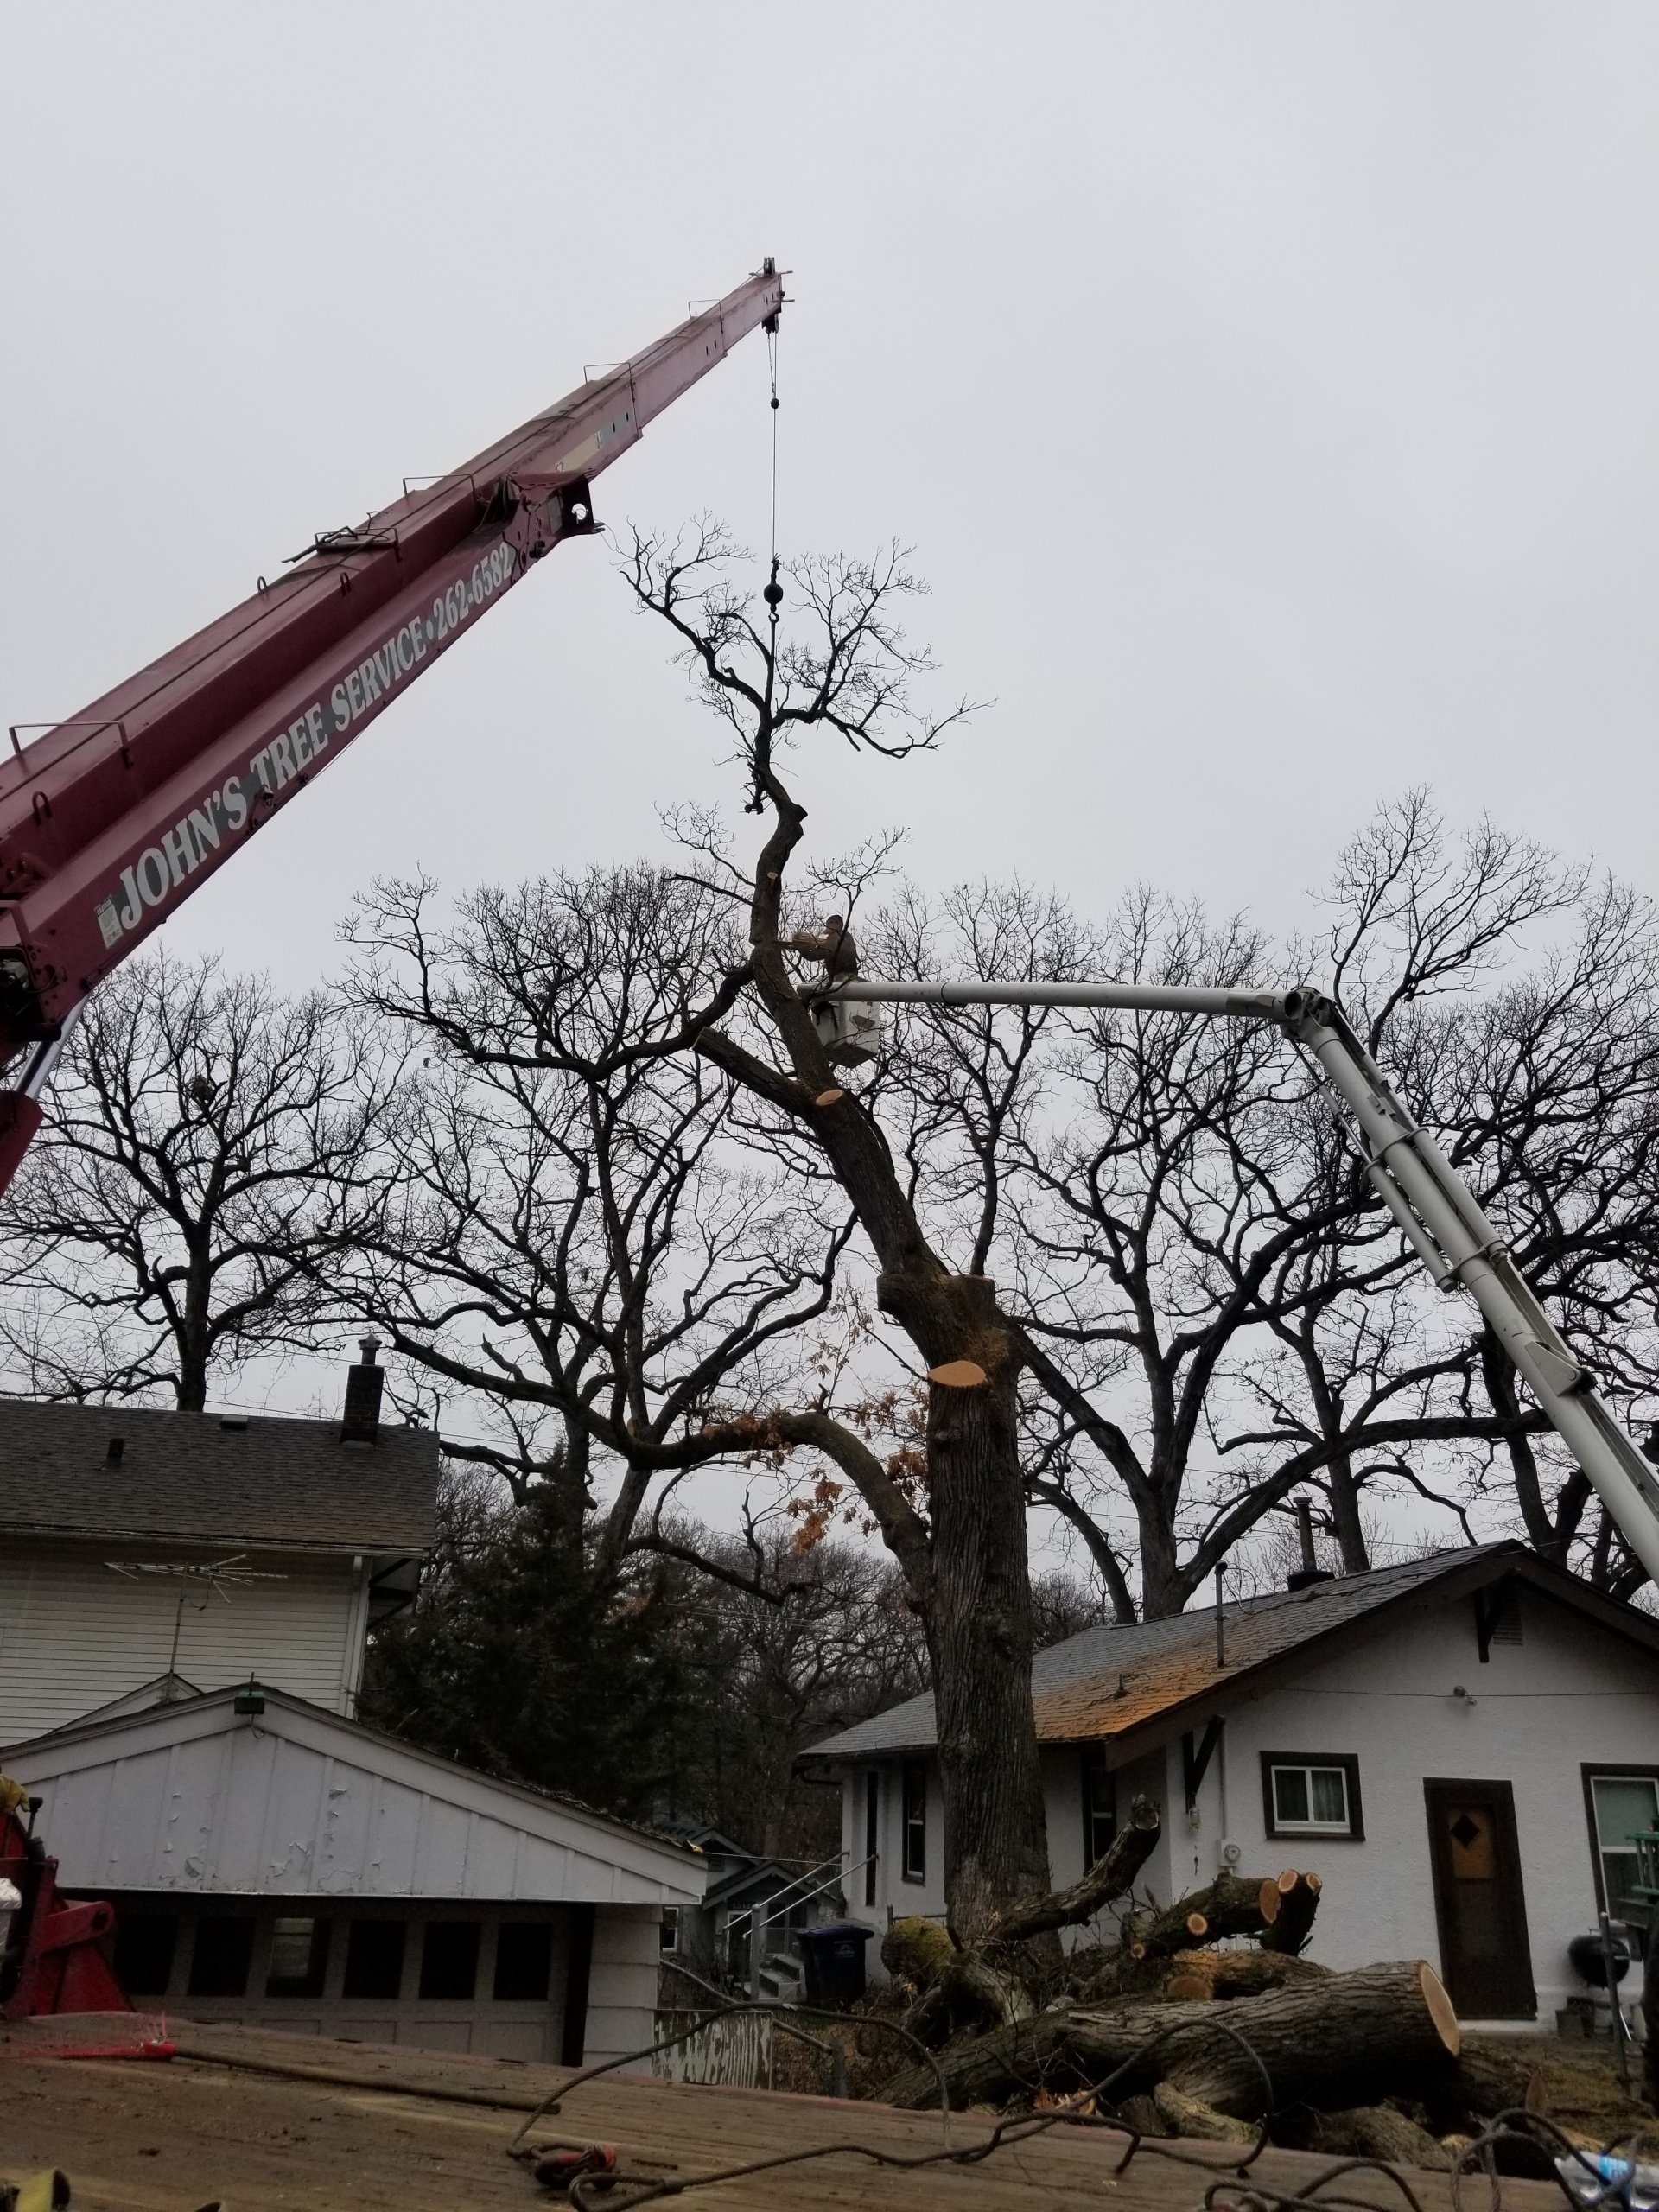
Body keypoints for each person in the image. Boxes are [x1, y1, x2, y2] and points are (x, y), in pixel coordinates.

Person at [789, 912, 859, 985]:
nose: (833, 924)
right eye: (830, 922)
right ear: (827, 925)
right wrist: (802, 948)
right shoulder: (829, 940)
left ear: (841, 926)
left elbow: (837, 946)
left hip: (848, 975)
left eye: (836, 923)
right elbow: (813, 956)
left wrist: (813, 943)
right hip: (835, 977)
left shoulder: (845, 936)